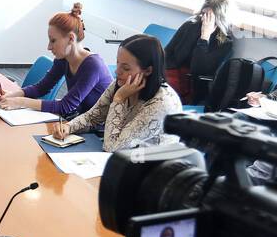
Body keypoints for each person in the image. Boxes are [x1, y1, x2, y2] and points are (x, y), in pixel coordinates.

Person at [53, 34, 182, 151]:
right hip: (124, 159)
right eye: (117, 63)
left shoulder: (162, 103)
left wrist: (119, 99)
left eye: (125, 68)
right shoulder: (122, 82)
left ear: (148, 70)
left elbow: (112, 146)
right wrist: (69, 127)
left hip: (151, 169)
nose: (117, 71)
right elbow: (92, 117)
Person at [0, 10, 111, 116]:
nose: (49, 47)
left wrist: (20, 102)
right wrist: (13, 95)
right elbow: (41, 88)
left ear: (71, 38)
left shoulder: (93, 65)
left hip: (100, 130)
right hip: (82, 120)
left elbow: (66, 106)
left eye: (53, 40)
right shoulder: (63, 59)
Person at [163, 0, 235, 105]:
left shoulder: (224, 42)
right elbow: (167, 53)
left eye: (209, 16)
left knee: (160, 90)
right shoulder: (190, 26)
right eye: (203, 14)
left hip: (191, 82)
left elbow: (198, 69)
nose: (203, 19)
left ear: (219, 19)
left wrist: (204, 37)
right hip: (171, 70)